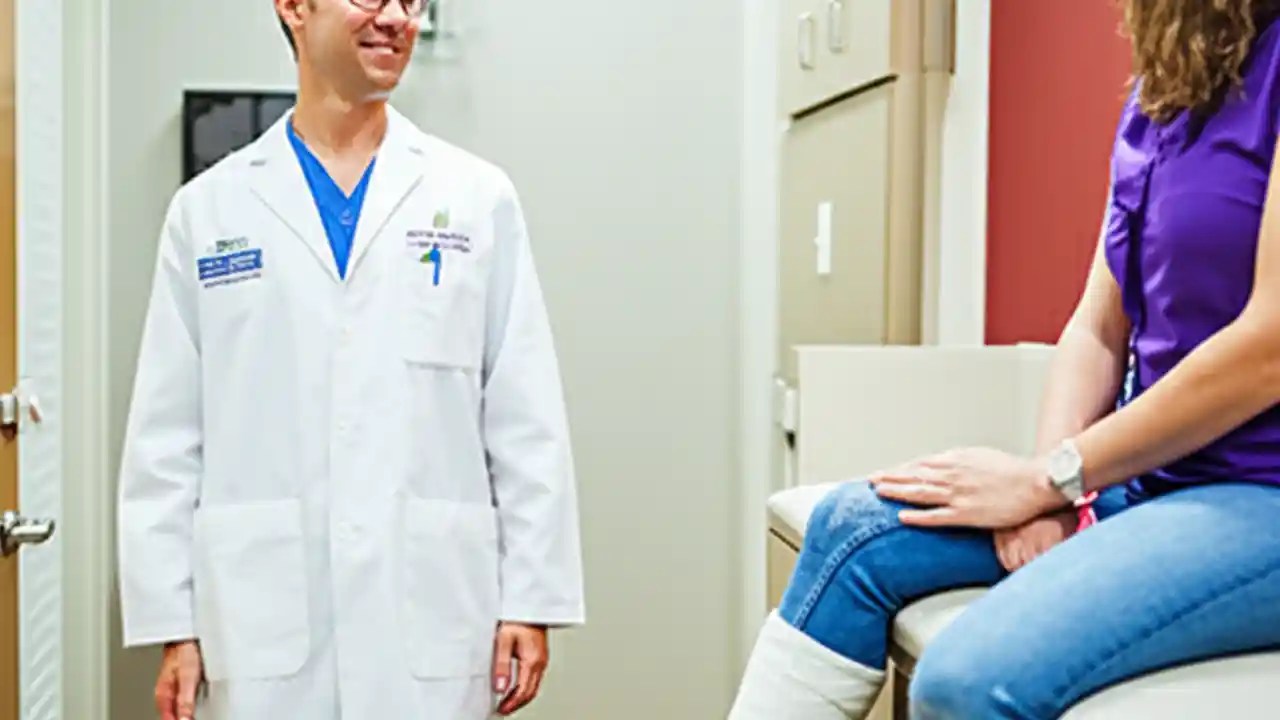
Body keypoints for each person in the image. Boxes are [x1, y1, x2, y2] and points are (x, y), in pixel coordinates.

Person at [730, 1, 1280, 717]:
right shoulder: (1170, 85)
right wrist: (1049, 488)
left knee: (968, 681)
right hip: (1157, 473)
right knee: (850, 533)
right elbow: (1098, 328)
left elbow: (1269, 347)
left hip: (1261, 493)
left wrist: (1053, 477)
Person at [116, 1, 585, 718]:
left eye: (410, 0)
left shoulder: (476, 199)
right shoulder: (208, 212)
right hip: (258, 617)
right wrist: (173, 623)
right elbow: (166, 437)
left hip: (430, 609)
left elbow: (525, 415)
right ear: (293, 8)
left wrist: (531, 597)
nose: (397, 17)